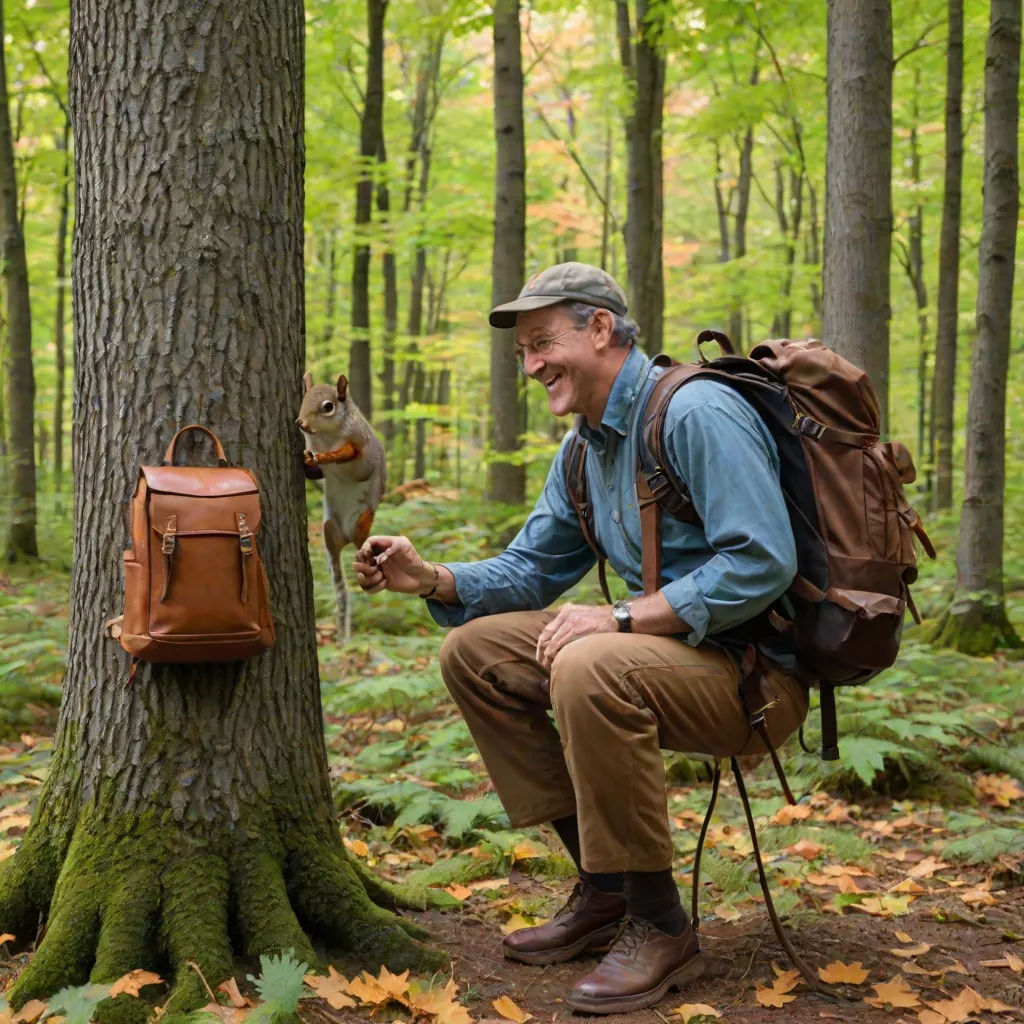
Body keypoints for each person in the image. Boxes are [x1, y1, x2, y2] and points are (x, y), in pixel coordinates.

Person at [353, 262, 808, 1015]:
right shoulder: (584, 450)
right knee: (475, 652)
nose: (531, 367)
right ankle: (606, 891)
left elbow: (762, 559)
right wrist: (431, 578)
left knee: (589, 659)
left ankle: (660, 925)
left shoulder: (694, 412)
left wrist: (620, 618)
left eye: (541, 344)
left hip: (754, 677)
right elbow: (531, 570)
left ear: (600, 328)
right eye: (522, 353)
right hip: (663, 659)